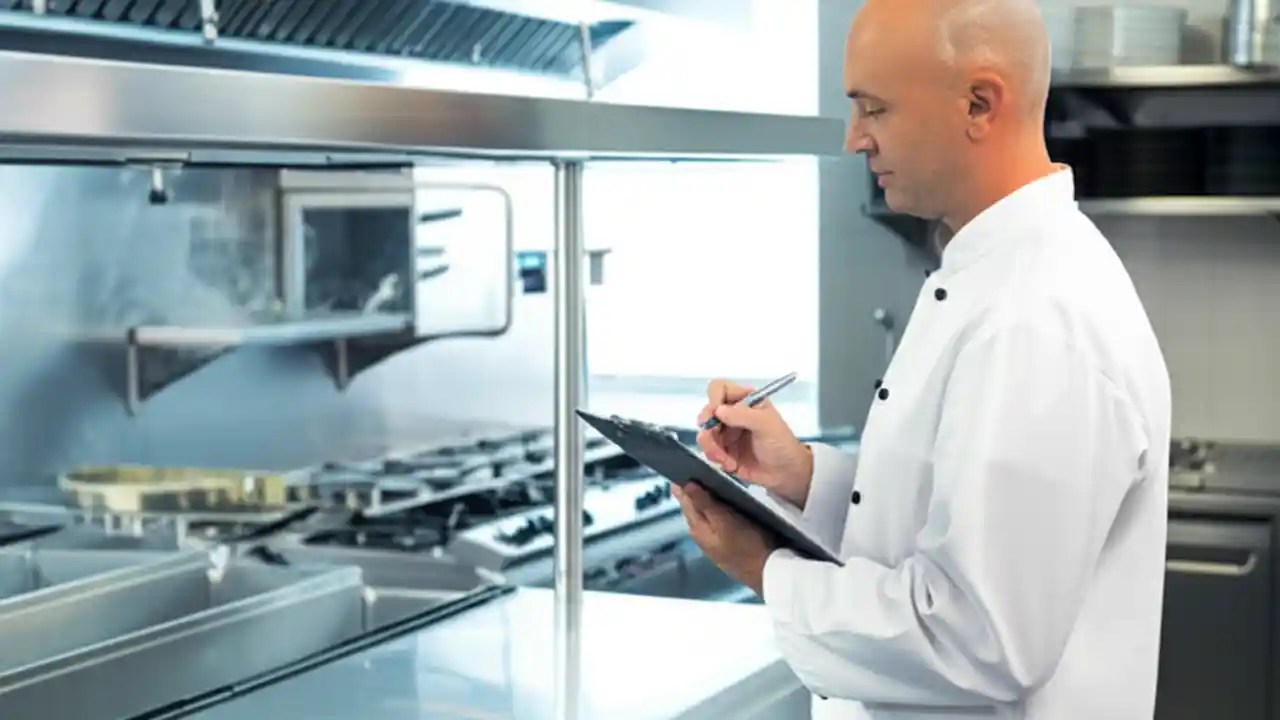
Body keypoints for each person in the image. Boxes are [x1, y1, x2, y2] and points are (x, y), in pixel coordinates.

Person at [670, 0, 1172, 718]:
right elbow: (947, 517)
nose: (854, 141)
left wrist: (764, 568)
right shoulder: (989, 276)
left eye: (873, 109)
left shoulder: (1035, 318)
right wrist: (806, 477)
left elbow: (979, 638)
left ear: (978, 104)